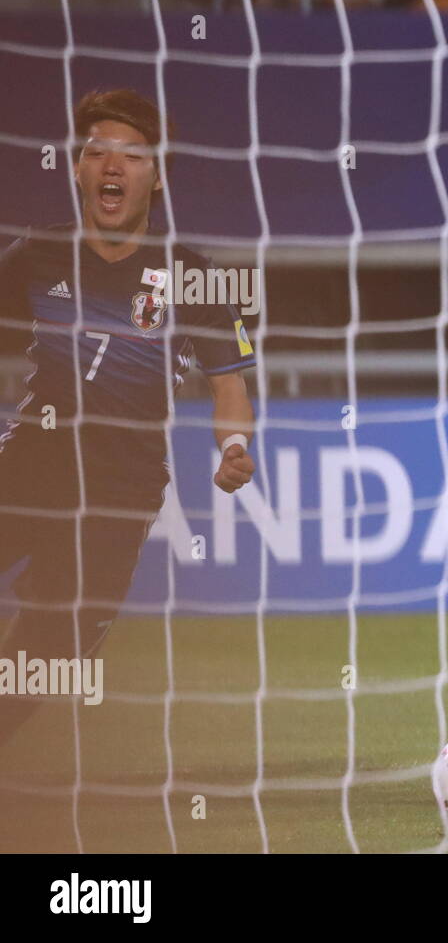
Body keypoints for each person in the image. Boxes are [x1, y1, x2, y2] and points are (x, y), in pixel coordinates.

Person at [0, 88, 257, 747]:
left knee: (51, 658)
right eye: (97, 152)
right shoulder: (35, 256)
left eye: (133, 155)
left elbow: (230, 385)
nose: (113, 165)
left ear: (159, 176)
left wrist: (233, 448)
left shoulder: (194, 277)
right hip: (32, 458)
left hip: (120, 490)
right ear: (79, 170)